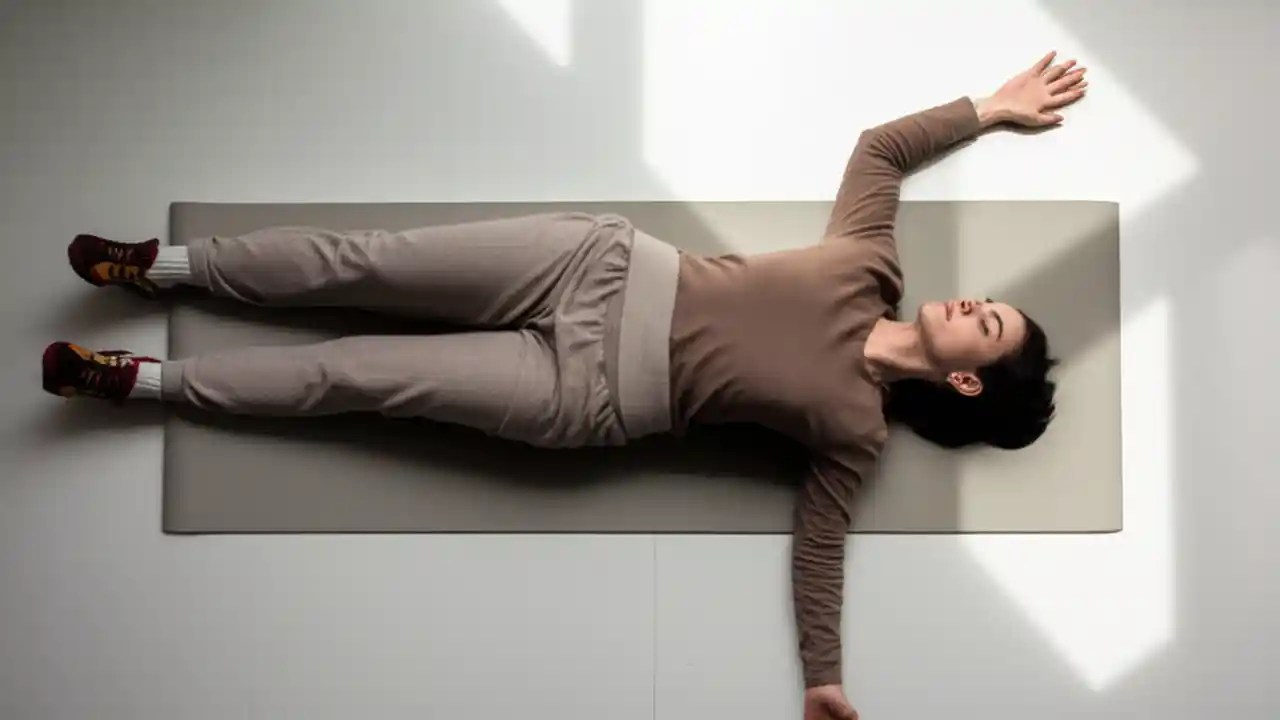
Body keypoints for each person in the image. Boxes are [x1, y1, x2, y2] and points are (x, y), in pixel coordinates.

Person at [43, 51, 1083, 720]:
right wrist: (989, 108)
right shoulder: (872, 264)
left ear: (961, 380)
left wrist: (822, 679)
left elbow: (819, 555)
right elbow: (878, 149)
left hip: (578, 393)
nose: (972, 301)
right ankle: (159, 267)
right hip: (590, 264)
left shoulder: (855, 430)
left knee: (349, 376)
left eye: (987, 322)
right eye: (989, 303)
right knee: (361, 262)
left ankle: (138, 381)